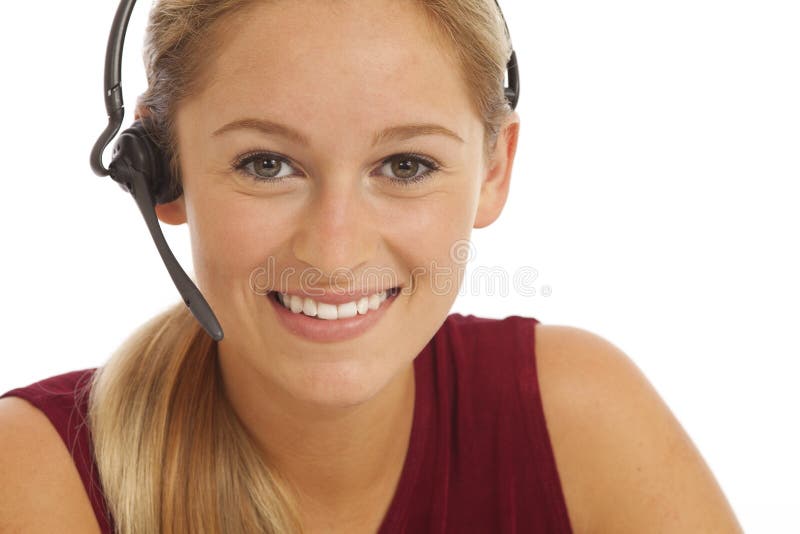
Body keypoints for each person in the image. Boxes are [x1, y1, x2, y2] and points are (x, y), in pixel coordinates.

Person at [0, 1, 744, 533]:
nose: (335, 251)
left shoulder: (576, 416)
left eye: (406, 164)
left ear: (494, 170)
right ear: (159, 173)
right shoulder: (35, 473)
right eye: (267, 164)